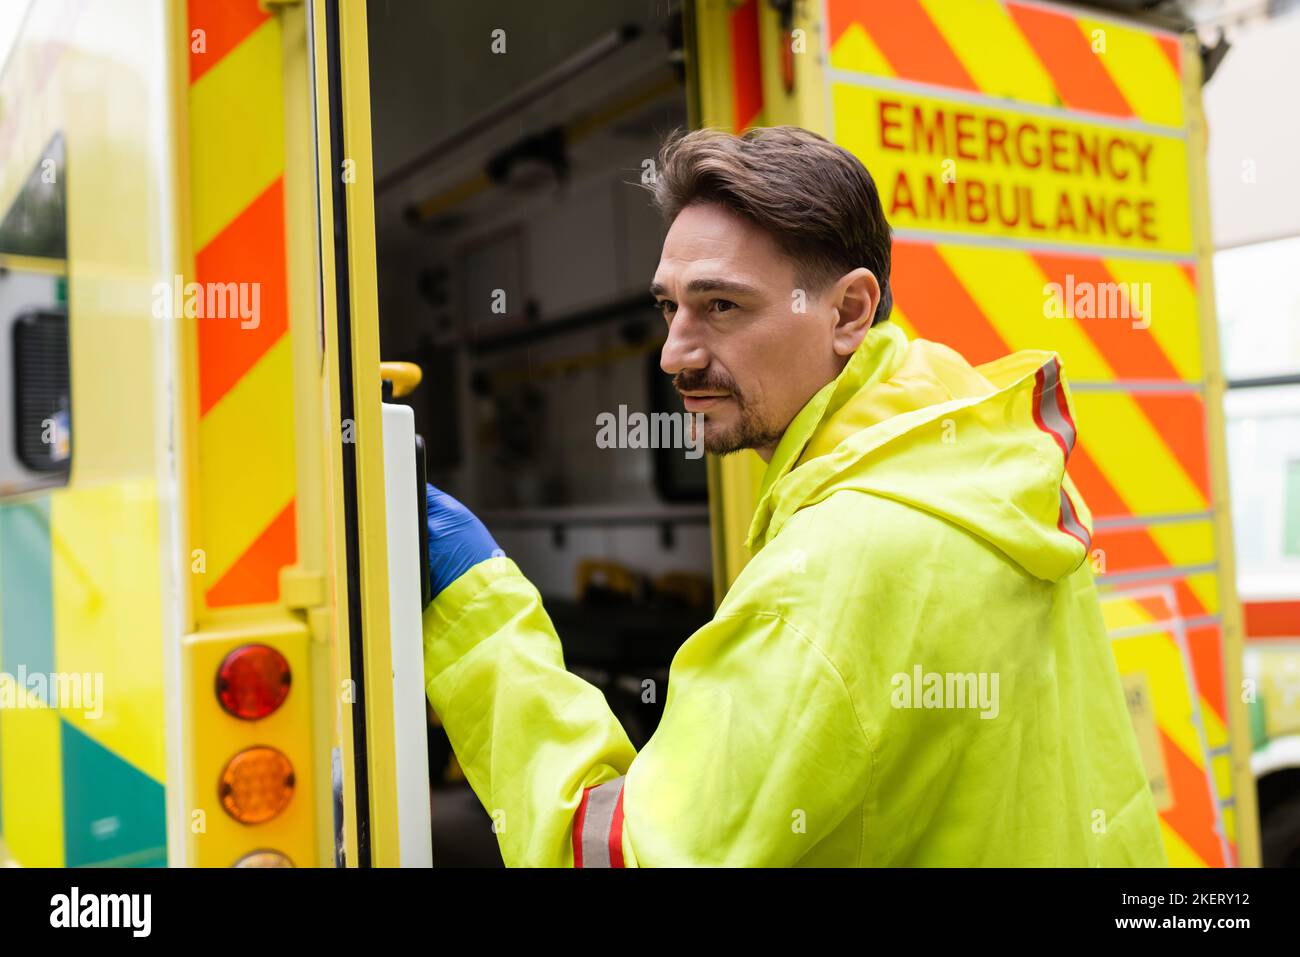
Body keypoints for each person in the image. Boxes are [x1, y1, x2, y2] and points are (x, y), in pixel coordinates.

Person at [421, 126, 1167, 867]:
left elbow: (620, 856)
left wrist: (479, 613)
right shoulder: (978, 475)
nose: (673, 352)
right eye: (668, 307)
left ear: (847, 312)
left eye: (720, 306)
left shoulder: (832, 572)